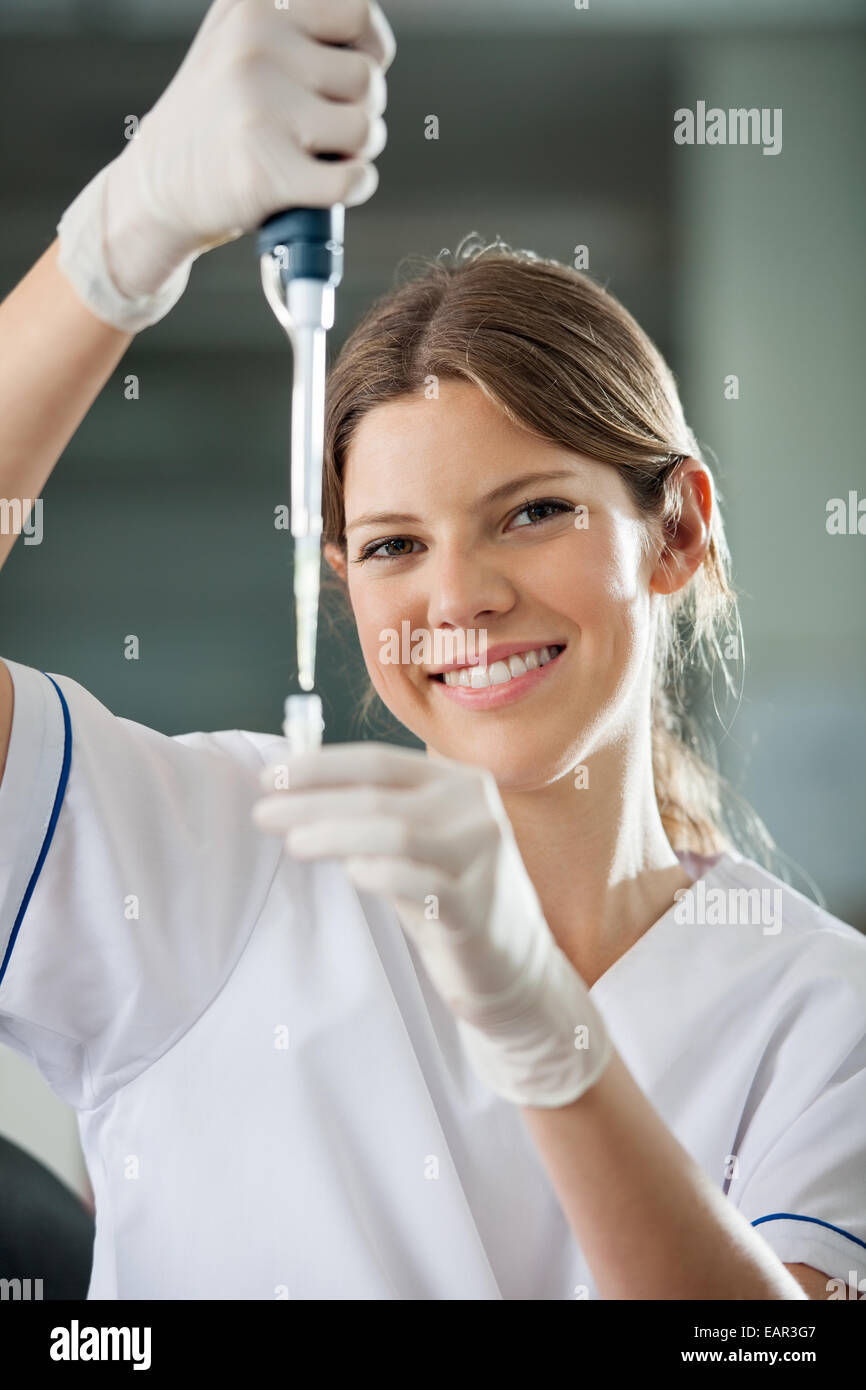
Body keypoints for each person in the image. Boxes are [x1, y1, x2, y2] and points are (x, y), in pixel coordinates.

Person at [0, 0, 863, 1301]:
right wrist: (123, 240)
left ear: (674, 529)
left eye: (530, 511)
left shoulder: (819, 1006)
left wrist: (545, 1031)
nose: (459, 596)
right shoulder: (213, 851)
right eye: (395, 546)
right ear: (343, 586)